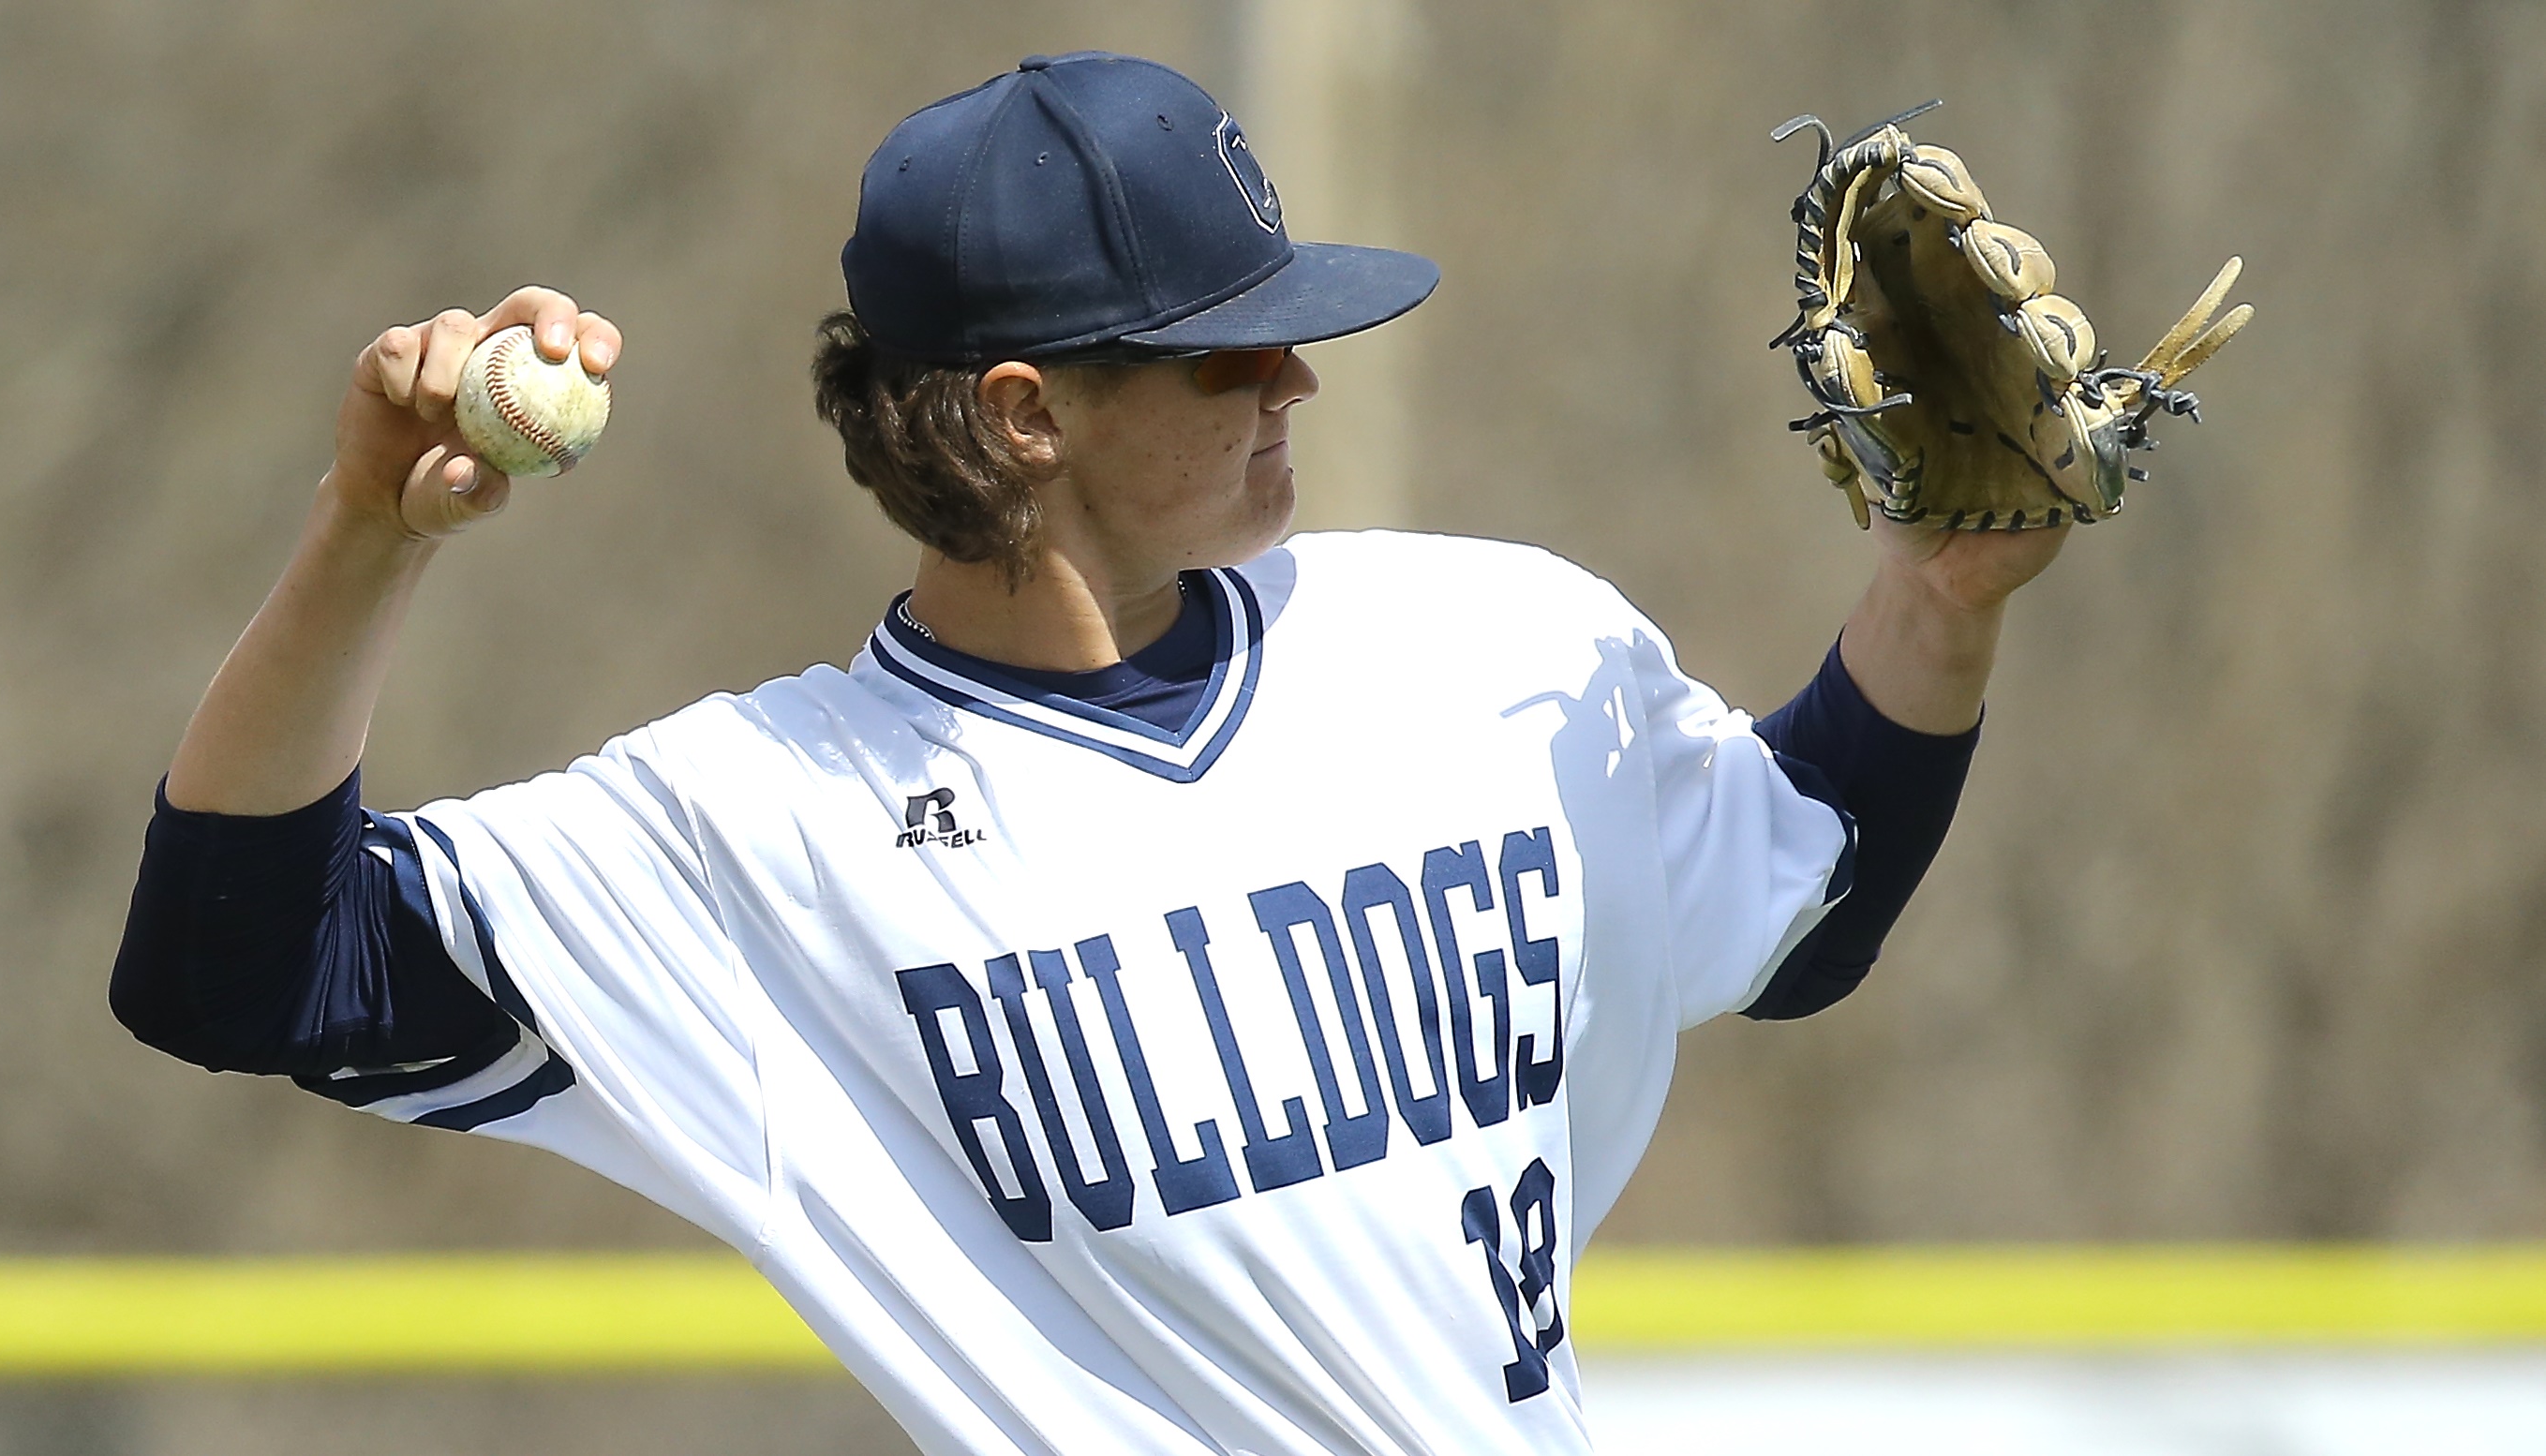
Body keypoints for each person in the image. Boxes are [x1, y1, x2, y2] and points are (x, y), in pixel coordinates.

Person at [112, 52, 2059, 1456]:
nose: (1297, 375)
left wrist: (1936, 603)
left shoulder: (1491, 640)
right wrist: (364, 536)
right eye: (1227, 350)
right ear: (1029, 415)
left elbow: (1791, 898)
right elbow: (235, 967)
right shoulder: (766, 832)